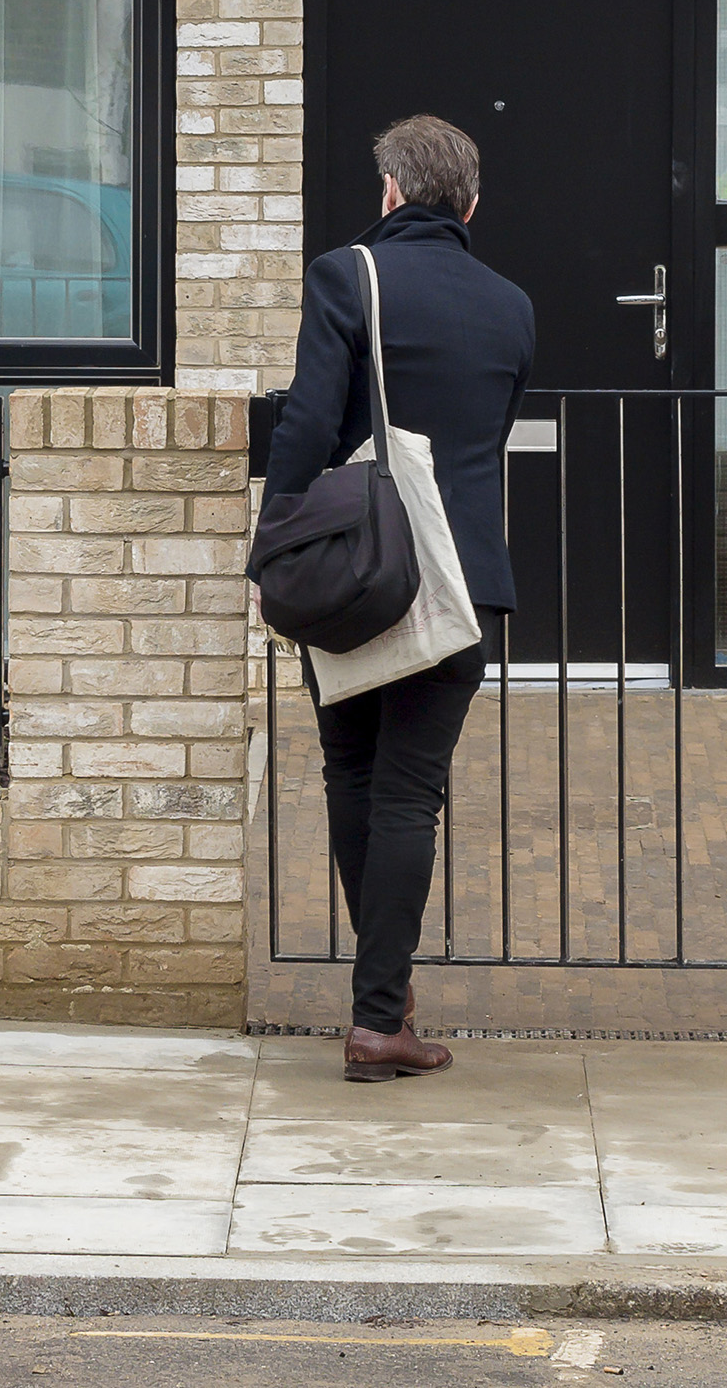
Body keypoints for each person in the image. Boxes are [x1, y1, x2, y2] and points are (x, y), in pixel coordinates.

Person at [259, 111, 534, 1083]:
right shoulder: (512, 306)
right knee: (410, 794)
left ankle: (383, 1007)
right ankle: (382, 1016)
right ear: (469, 203)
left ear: (386, 192)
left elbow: (306, 423)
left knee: (353, 779)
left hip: (358, 571)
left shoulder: (348, 275)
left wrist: (274, 541)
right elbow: (489, 435)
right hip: (465, 582)